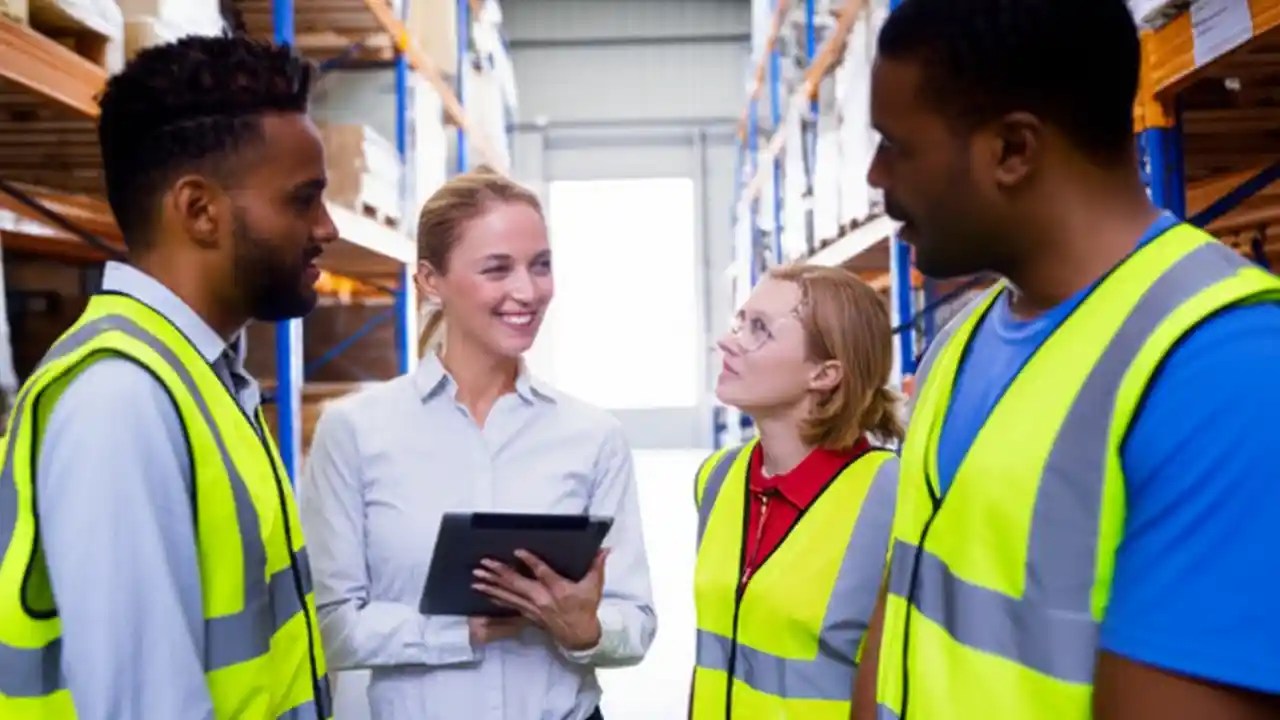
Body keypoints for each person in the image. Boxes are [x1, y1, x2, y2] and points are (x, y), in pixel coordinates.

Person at [853, 1, 1280, 719]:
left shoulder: (1228, 372)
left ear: (1014, 151)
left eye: (897, 145)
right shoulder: (957, 346)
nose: (874, 175)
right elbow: (900, 614)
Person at [0, 36, 337, 718]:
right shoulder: (119, 402)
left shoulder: (199, 379)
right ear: (199, 210)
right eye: (303, 200)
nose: (326, 228)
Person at [299, 166, 656, 720]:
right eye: (497, 269)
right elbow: (328, 627)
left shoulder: (591, 437)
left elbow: (635, 622)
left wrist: (584, 630)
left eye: (540, 266)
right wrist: (459, 630)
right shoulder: (357, 432)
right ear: (429, 281)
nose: (528, 291)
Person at [690, 263, 902, 719]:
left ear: (825, 374)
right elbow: (709, 650)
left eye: (759, 329)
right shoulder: (719, 479)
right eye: (739, 323)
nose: (729, 341)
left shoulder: (890, 497)